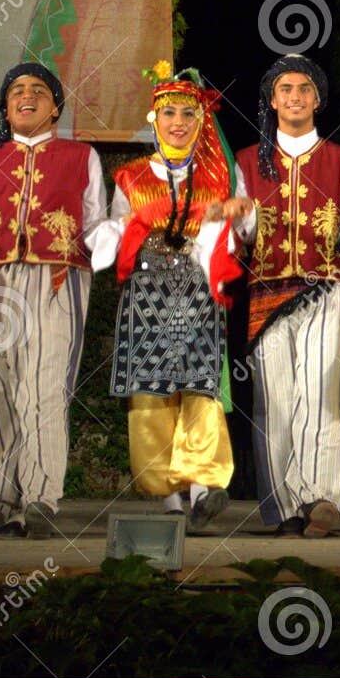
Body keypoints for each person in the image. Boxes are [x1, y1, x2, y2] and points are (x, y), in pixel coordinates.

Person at [0, 63, 109, 539]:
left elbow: (95, 221)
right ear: (5, 105)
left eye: (39, 90)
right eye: (17, 89)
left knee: (42, 385)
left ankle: (40, 498)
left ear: (55, 106)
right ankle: (9, 506)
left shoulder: (82, 157)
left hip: (55, 277)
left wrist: (120, 240)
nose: (27, 96)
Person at [104, 63, 245, 534]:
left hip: (199, 290)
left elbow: (246, 227)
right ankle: (168, 497)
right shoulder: (130, 176)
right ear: (155, 120)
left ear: (201, 121)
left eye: (188, 113)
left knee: (200, 387)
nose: (179, 122)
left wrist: (236, 213)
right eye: (169, 114)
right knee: (150, 393)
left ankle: (204, 486)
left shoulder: (222, 174)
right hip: (147, 290)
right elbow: (115, 235)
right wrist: (140, 220)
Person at [233, 54, 340, 537]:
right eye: (285, 88)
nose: (295, 97)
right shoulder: (245, 162)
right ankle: (285, 507)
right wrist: (237, 216)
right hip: (266, 293)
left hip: (326, 288)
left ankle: (322, 498)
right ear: (272, 100)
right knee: (277, 400)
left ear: (318, 99)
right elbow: (240, 238)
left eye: (304, 88)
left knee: (322, 395)